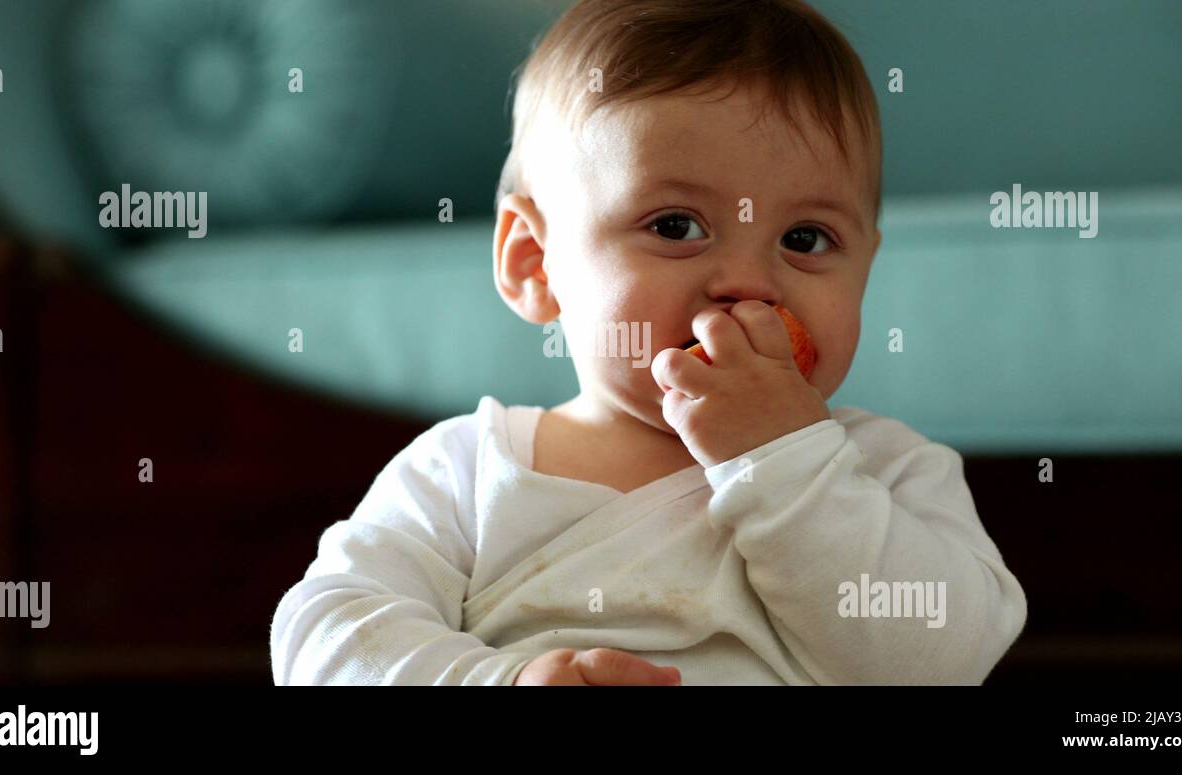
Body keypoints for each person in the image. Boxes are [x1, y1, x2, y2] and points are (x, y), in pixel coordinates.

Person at [271, 0, 1027, 686]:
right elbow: (325, 639)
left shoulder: (885, 471)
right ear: (535, 262)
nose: (746, 282)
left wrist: (785, 464)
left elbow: (945, 660)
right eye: (675, 226)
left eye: (805, 238)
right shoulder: (467, 473)